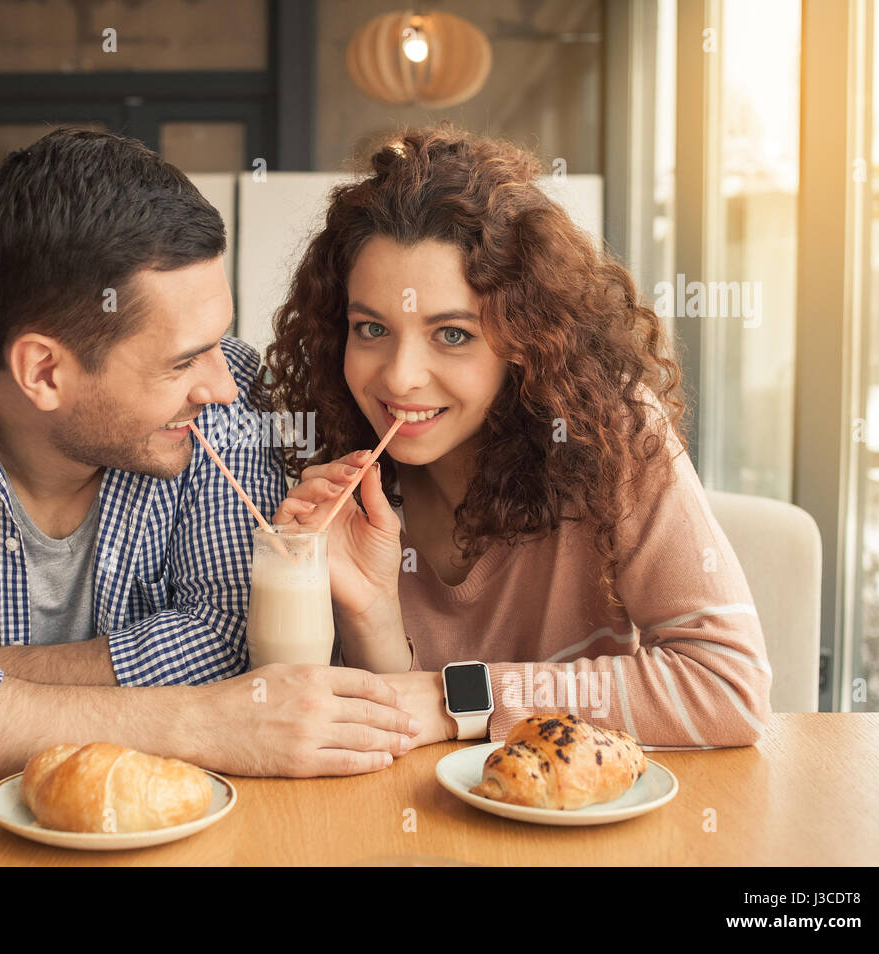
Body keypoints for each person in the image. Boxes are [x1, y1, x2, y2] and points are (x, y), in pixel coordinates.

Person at [0, 128, 421, 786]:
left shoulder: (224, 402)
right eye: (184, 359)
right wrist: (199, 724)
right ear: (44, 371)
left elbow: (233, 647)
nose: (221, 384)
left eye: (217, 342)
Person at [263, 125, 772, 751]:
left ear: (526, 341)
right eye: (371, 329)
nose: (398, 376)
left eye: (452, 334)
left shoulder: (613, 437)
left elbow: (727, 688)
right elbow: (393, 735)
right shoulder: (332, 471)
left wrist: (458, 697)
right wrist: (370, 613)